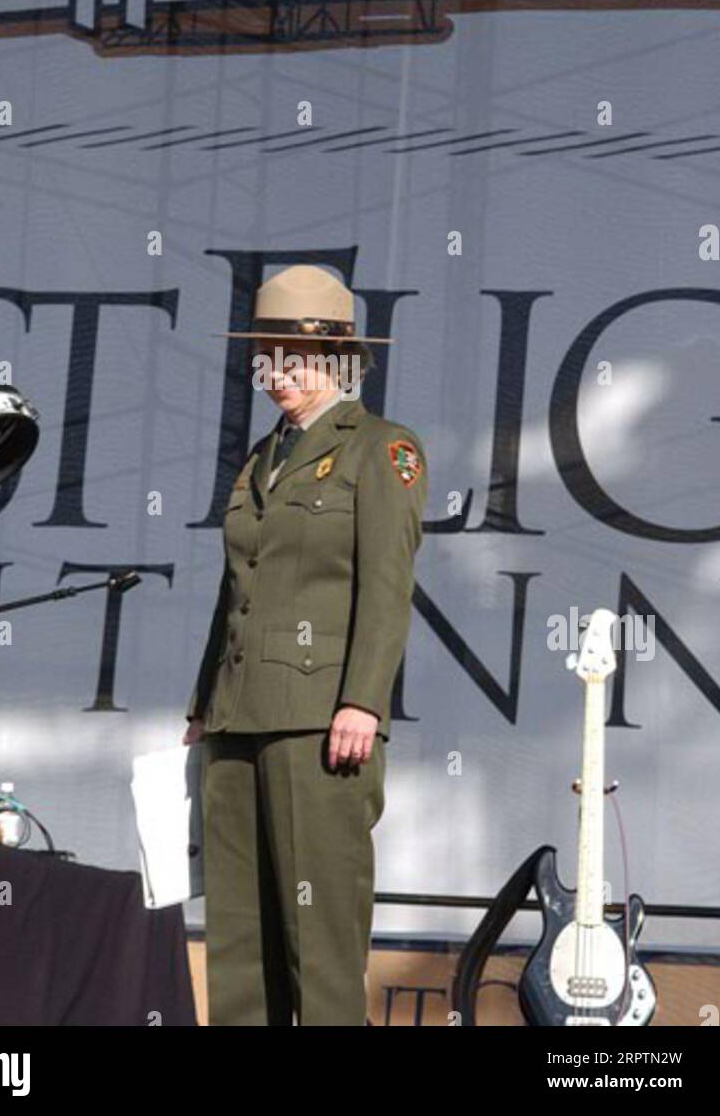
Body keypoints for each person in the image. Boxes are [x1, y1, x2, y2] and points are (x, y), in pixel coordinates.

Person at [184, 264, 427, 1026]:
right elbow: (236, 590)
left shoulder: (380, 449)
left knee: (316, 948)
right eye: (265, 355)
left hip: (318, 721)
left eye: (292, 356)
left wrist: (361, 700)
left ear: (339, 358)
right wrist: (201, 707)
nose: (275, 372)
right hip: (236, 717)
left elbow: (386, 587)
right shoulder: (263, 457)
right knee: (237, 944)